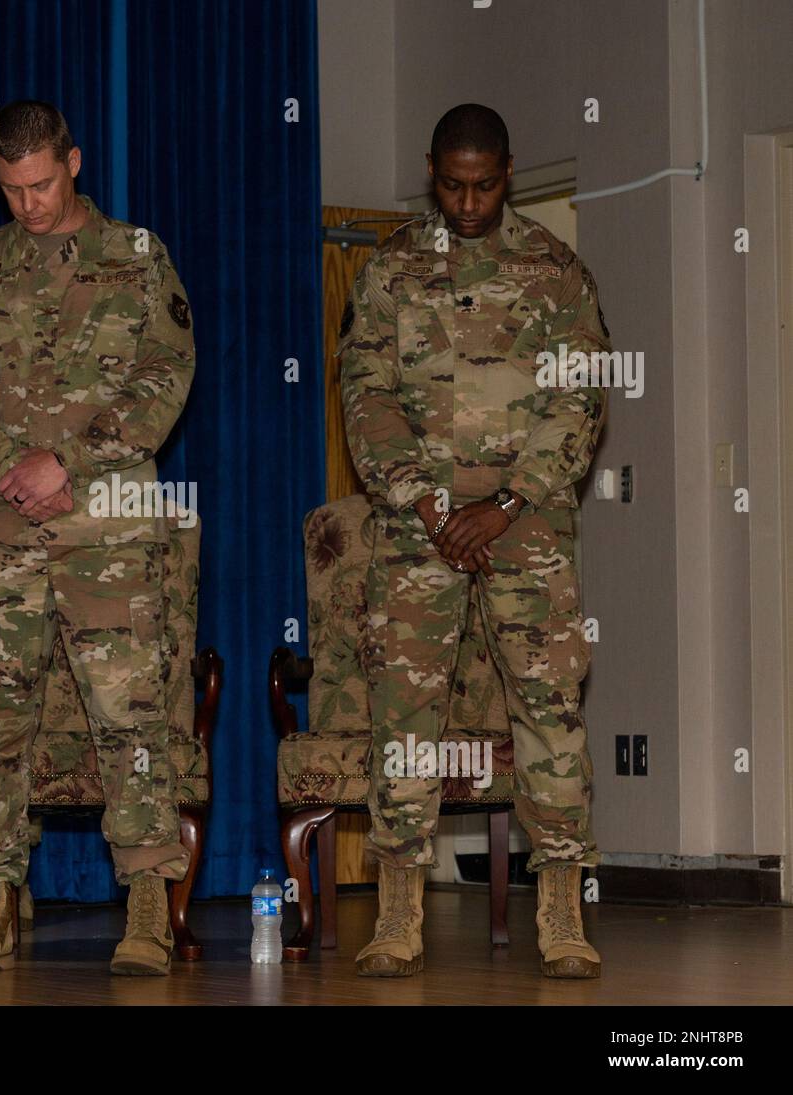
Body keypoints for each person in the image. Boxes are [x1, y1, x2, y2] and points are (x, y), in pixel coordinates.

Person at [338, 103, 608, 979]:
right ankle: (398, 912)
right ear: (430, 171)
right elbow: (364, 397)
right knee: (405, 719)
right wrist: (427, 504)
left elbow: (582, 397)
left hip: (527, 530)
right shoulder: (391, 270)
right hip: (419, 533)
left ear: (509, 171)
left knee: (550, 713)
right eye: (452, 184)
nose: (466, 201)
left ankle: (564, 912)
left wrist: (509, 501)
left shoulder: (555, 270)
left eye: (484, 184)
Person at [0, 100, 195, 976]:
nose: (29, 204)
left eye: (41, 184)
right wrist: (13, 463)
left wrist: (67, 463)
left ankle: (149, 902)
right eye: (11, 189)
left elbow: (167, 379)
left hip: (106, 527)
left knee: (130, 714)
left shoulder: (138, 258)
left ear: (74, 162)